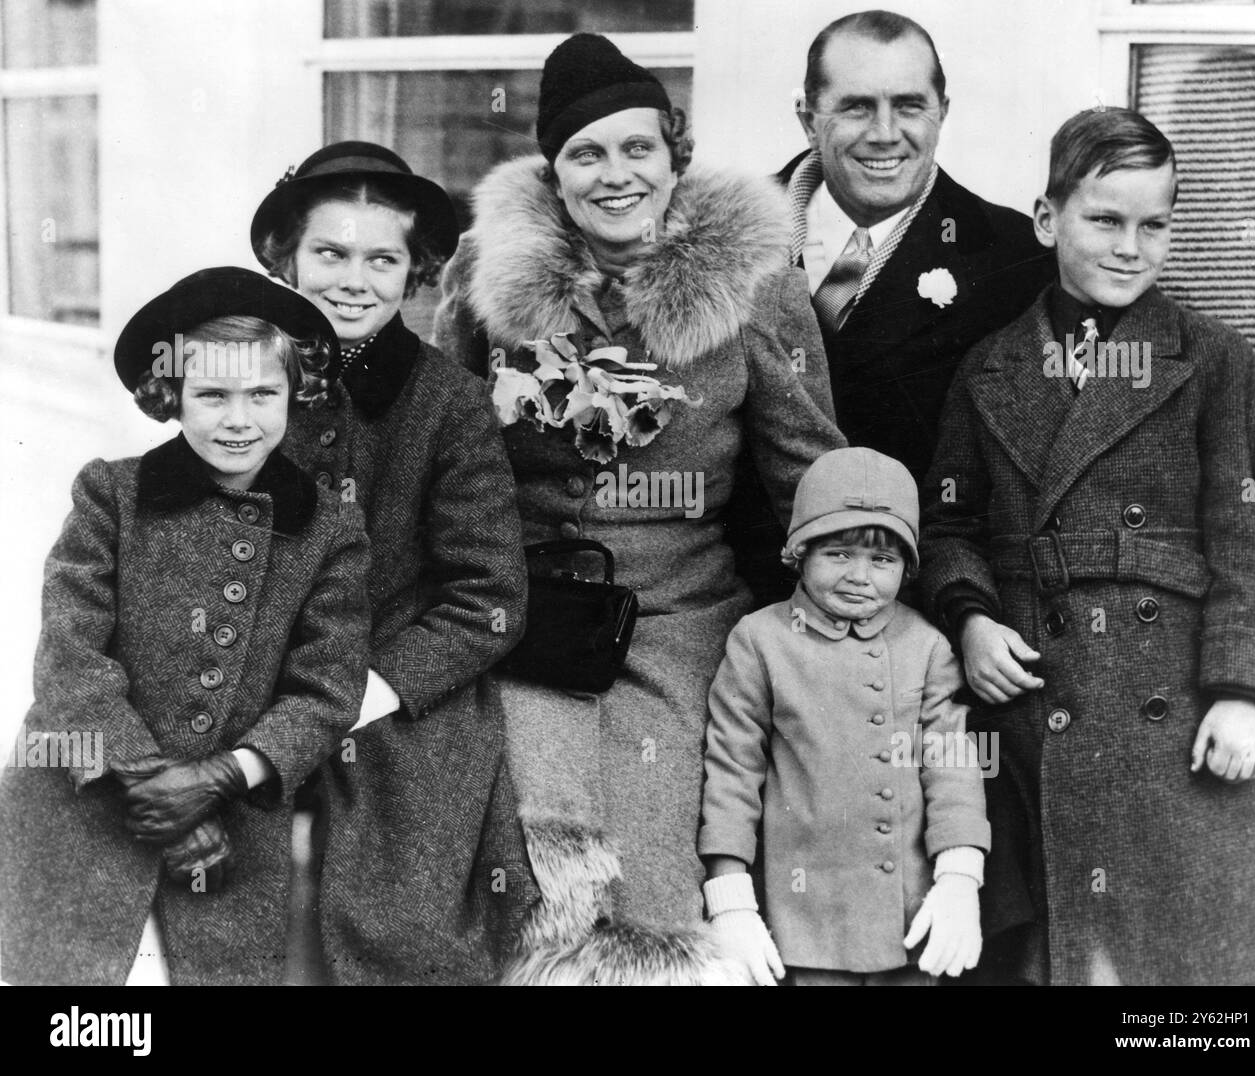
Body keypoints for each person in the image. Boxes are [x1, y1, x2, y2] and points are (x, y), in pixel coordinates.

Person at [433, 33, 845, 982]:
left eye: (637, 149)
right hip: (526, 620)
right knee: (522, 877)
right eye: (586, 153)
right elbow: (445, 459)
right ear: (555, 171)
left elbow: (811, 480)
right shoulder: (486, 282)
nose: (615, 175)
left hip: (679, 619)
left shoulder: (756, 287)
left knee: (661, 889)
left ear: (674, 154)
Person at [920, 108, 1255, 986]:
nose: (1131, 246)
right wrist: (970, 618)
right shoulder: (988, 368)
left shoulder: (1212, 358)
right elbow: (949, 524)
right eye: (1105, 220)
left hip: (1173, 715)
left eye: (1154, 224)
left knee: (1180, 993)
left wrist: (1242, 693)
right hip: (1034, 697)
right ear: (1049, 220)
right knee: (1050, 960)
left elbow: (1246, 539)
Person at [0, 267, 370, 985]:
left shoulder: (329, 528)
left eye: (264, 394)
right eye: (212, 395)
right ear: (171, 397)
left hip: (232, 826)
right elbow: (69, 661)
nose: (240, 419)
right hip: (85, 803)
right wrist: (161, 786)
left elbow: (327, 691)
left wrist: (218, 779)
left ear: (296, 395)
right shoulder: (112, 494)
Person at [781, 9, 1255, 502]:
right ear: (808, 118)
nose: (886, 133)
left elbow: (1130, 361)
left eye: (910, 105)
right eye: (856, 106)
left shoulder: (1012, 251)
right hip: (746, 584)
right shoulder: (726, 238)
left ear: (943, 112)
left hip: (918, 577)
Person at [251, 141, 537, 985]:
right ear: (285, 258)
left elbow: (489, 596)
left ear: (415, 273)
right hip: (257, 674)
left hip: (399, 697)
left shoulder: (448, 401)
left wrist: (367, 692)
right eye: (330, 254)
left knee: (398, 920)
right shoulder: (242, 382)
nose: (353, 280)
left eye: (383, 260)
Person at [699, 447, 989, 987]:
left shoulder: (925, 644)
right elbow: (732, 771)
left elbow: (951, 764)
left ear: (906, 569)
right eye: (837, 554)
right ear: (798, 554)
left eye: (882, 560)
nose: (860, 576)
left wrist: (959, 878)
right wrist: (731, 903)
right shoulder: (760, 641)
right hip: (804, 922)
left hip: (908, 917)